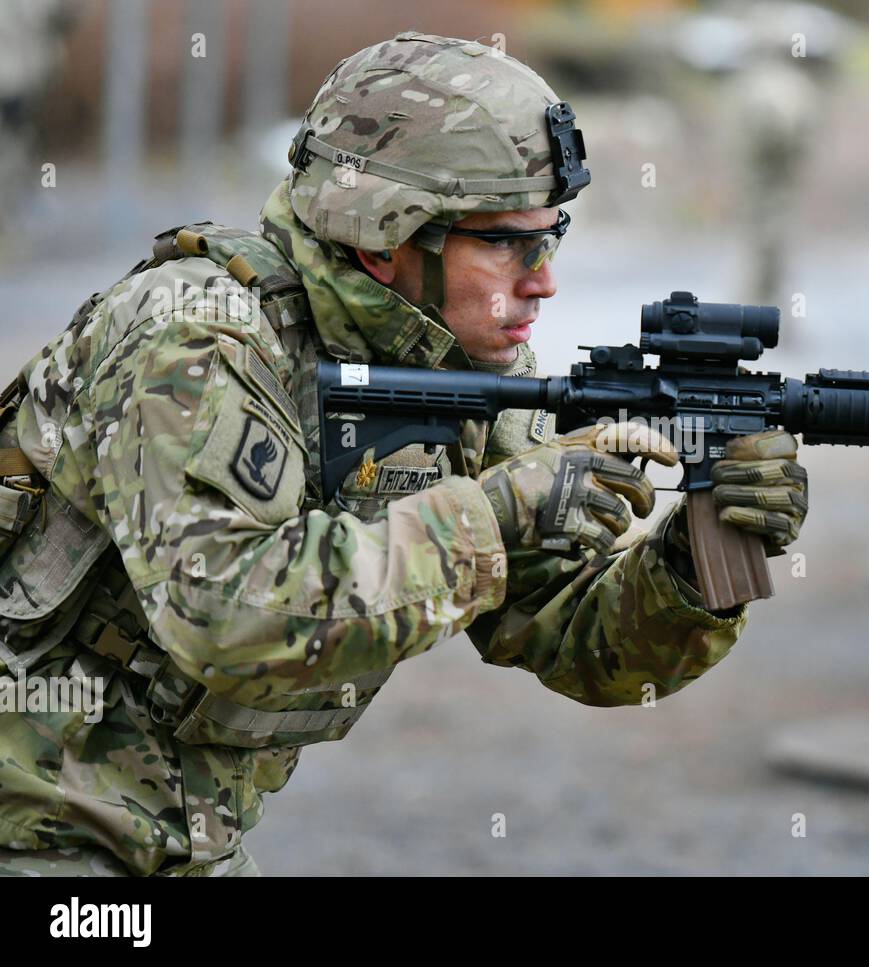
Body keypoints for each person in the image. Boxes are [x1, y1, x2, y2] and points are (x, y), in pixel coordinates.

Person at [0, 32, 809, 876]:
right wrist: (497, 512)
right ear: (385, 236)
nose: (543, 280)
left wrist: (691, 562)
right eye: (505, 241)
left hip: (166, 842)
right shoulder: (196, 335)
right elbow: (233, 616)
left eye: (551, 236)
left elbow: (577, 638)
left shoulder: (452, 362)